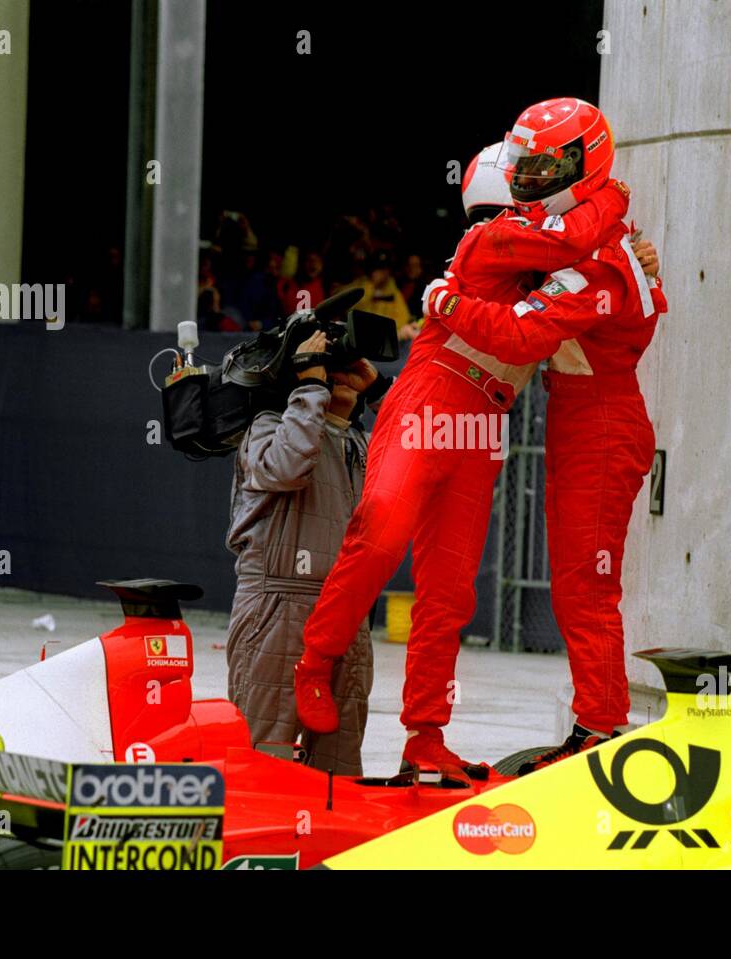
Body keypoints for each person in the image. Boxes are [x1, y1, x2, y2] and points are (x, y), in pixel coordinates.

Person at [292, 130, 643, 782]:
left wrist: (631, 258)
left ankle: (425, 737)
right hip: (436, 392)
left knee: (449, 593)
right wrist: (613, 196)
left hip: (484, 418)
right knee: (381, 528)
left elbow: (593, 276)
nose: (534, 216)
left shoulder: (547, 263)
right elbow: (571, 242)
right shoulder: (497, 240)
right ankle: (314, 663)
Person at [421, 97, 667, 773]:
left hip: (603, 421)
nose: (526, 181)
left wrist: (444, 299)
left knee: (586, 586)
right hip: (583, 414)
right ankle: (598, 722)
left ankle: (600, 727)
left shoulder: (598, 258)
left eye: (541, 166)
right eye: (523, 164)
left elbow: (523, 332)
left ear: (582, 164)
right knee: (576, 583)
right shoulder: (592, 230)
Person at [224, 331, 393, 776]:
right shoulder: (264, 429)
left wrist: (377, 389)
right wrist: (311, 389)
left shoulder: (361, 442)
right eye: (323, 367)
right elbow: (287, 465)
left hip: (346, 613)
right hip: (277, 605)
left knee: (339, 768)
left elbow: (420, 447)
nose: (334, 376)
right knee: (266, 755)